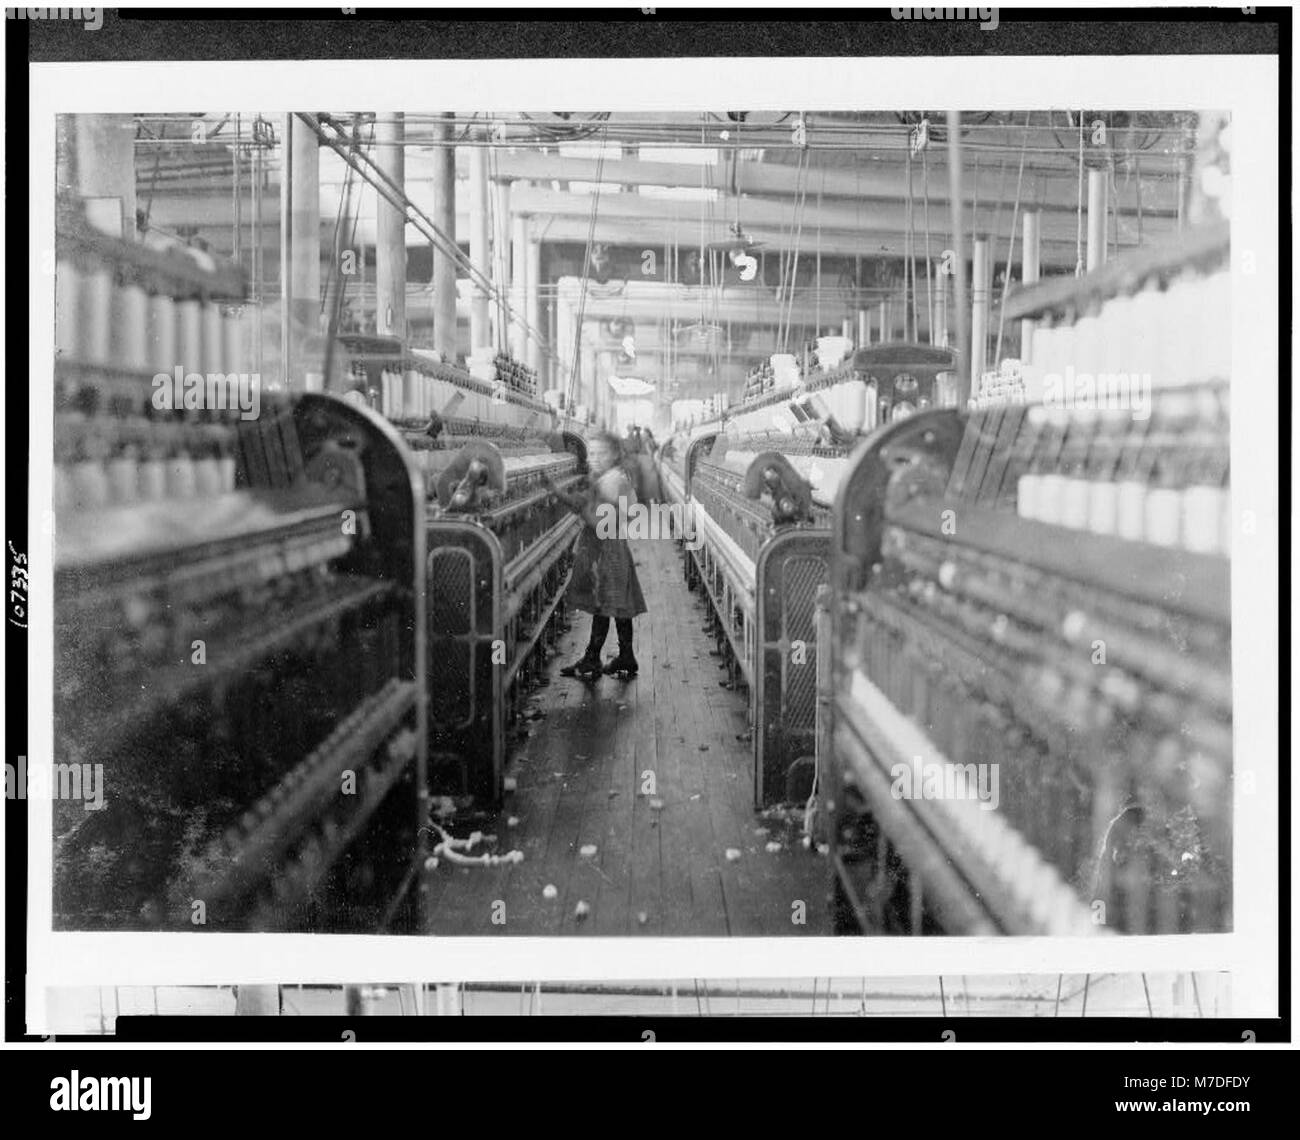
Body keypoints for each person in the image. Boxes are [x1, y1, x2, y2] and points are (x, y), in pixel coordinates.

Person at [543, 432, 647, 679]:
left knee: (607, 603)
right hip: (610, 547)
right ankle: (622, 656)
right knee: (615, 604)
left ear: (614, 455)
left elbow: (600, 517)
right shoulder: (612, 478)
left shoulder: (611, 481)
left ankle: (597, 657)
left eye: (602, 454)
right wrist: (558, 492)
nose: (595, 459)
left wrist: (574, 505)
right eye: (591, 453)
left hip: (605, 549)